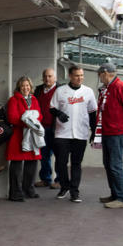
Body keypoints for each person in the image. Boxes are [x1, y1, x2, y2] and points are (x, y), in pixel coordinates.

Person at [49, 65, 97, 203]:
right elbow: (52, 108)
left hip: (80, 133)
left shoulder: (88, 91)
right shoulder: (60, 90)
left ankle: (74, 192)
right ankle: (64, 186)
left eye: (81, 75)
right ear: (70, 76)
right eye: (77, 75)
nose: (80, 78)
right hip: (62, 133)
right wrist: (59, 113)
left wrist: (94, 133)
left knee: (76, 163)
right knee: (60, 163)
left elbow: (93, 113)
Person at [95, 63, 123, 209]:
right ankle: (115, 194)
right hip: (109, 132)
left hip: (117, 133)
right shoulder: (109, 88)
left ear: (106, 73)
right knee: (108, 164)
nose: (99, 78)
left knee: (115, 165)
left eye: (100, 75)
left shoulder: (120, 87)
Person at [5, 76, 43, 201]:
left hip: (32, 135)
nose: (25, 88)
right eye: (23, 86)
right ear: (19, 87)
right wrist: (27, 122)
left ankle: (29, 189)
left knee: (32, 163)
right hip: (18, 135)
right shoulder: (13, 100)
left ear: (31, 87)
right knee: (16, 165)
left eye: (27, 85)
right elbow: (12, 117)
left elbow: (39, 115)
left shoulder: (34, 99)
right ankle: (15, 193)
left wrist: (33, 122)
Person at [33, 68, 60, 189]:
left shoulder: (61, 89)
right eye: (45, 76)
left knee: (59, 155)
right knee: (44, 155)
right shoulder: (38, 90)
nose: (47, 78)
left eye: (50, 76)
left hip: (56, 128)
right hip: (41, 128)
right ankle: (45, 179)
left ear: (55, 78)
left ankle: (60, 180)